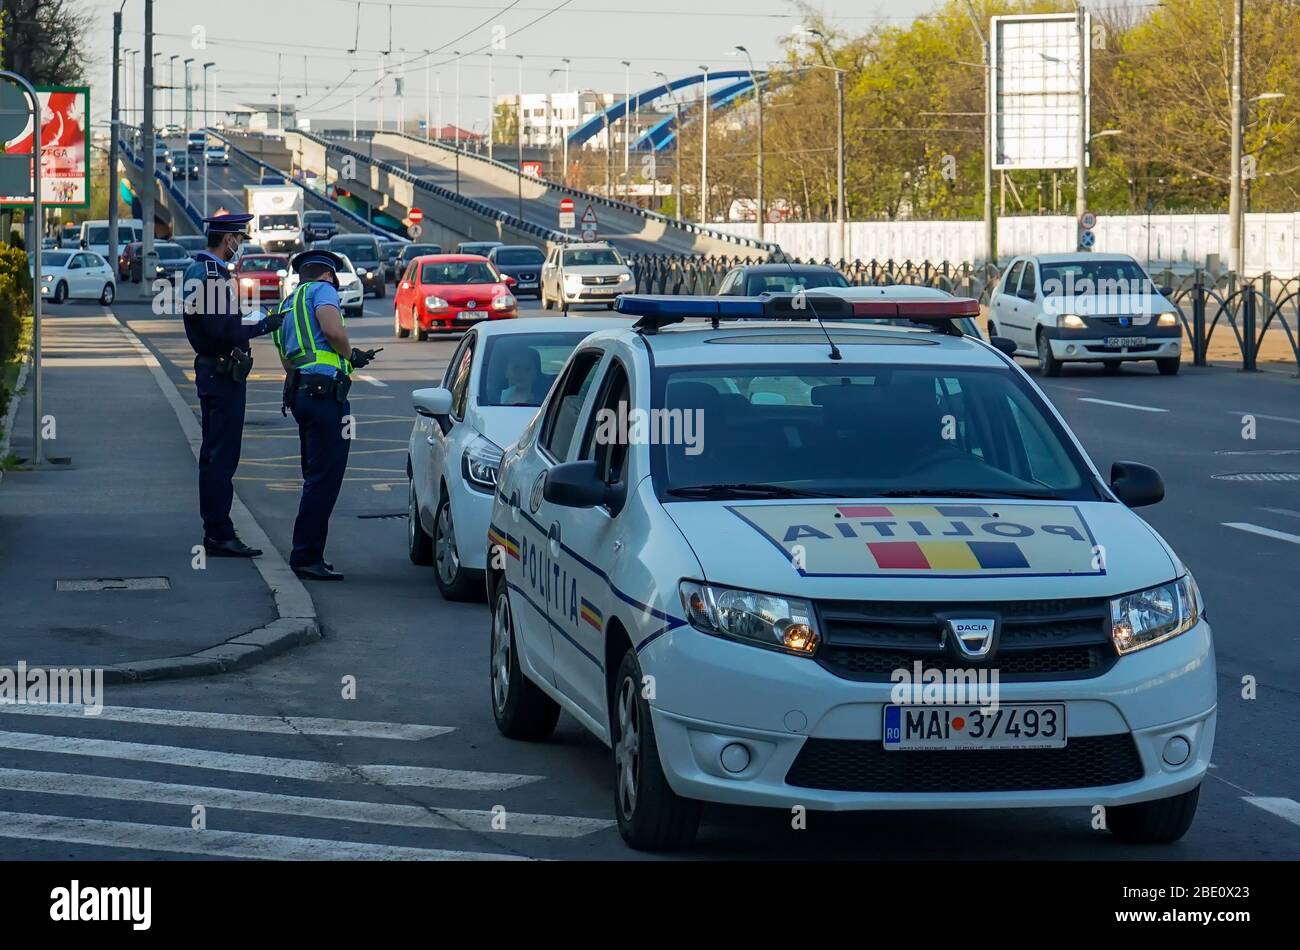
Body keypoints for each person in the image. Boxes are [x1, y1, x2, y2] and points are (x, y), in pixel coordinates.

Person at [271, 250, 379, 581]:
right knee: (324, 480)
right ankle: (306, 557)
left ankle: (308, 553)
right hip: (324, 397)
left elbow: (287, 360)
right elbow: (332, 330)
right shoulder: (323, 291)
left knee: (313, 476)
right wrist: (353, 356)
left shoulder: (285, 305)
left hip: (302, 395)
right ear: (328, 275)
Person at [182, 212, 284, 558]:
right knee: (221, 458)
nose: (239, 244)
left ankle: (217, 529)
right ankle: (219, 533)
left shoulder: (200, 271)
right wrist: (263, 326)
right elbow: (218, 331)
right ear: (227, 240)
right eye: (238, 238)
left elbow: (216, 323)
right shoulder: (211, 275)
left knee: (215, 455)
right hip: (221, 373)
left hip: (215, 371)